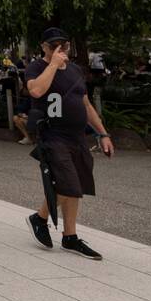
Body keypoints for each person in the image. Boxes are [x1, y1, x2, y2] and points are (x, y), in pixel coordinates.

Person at [25, 27, 113, 261]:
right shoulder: (37, 67)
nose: (58, 49)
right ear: (44, 47)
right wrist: (53, 64)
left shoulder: (75, 70)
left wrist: (103, 134)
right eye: (53, 45)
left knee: (76, 185)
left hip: (77, 137)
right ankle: (43, 219)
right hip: (53, 135)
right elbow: (36, 91)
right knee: (68, 184)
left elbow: (85, 104)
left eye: (62, 45)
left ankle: (67, 234)